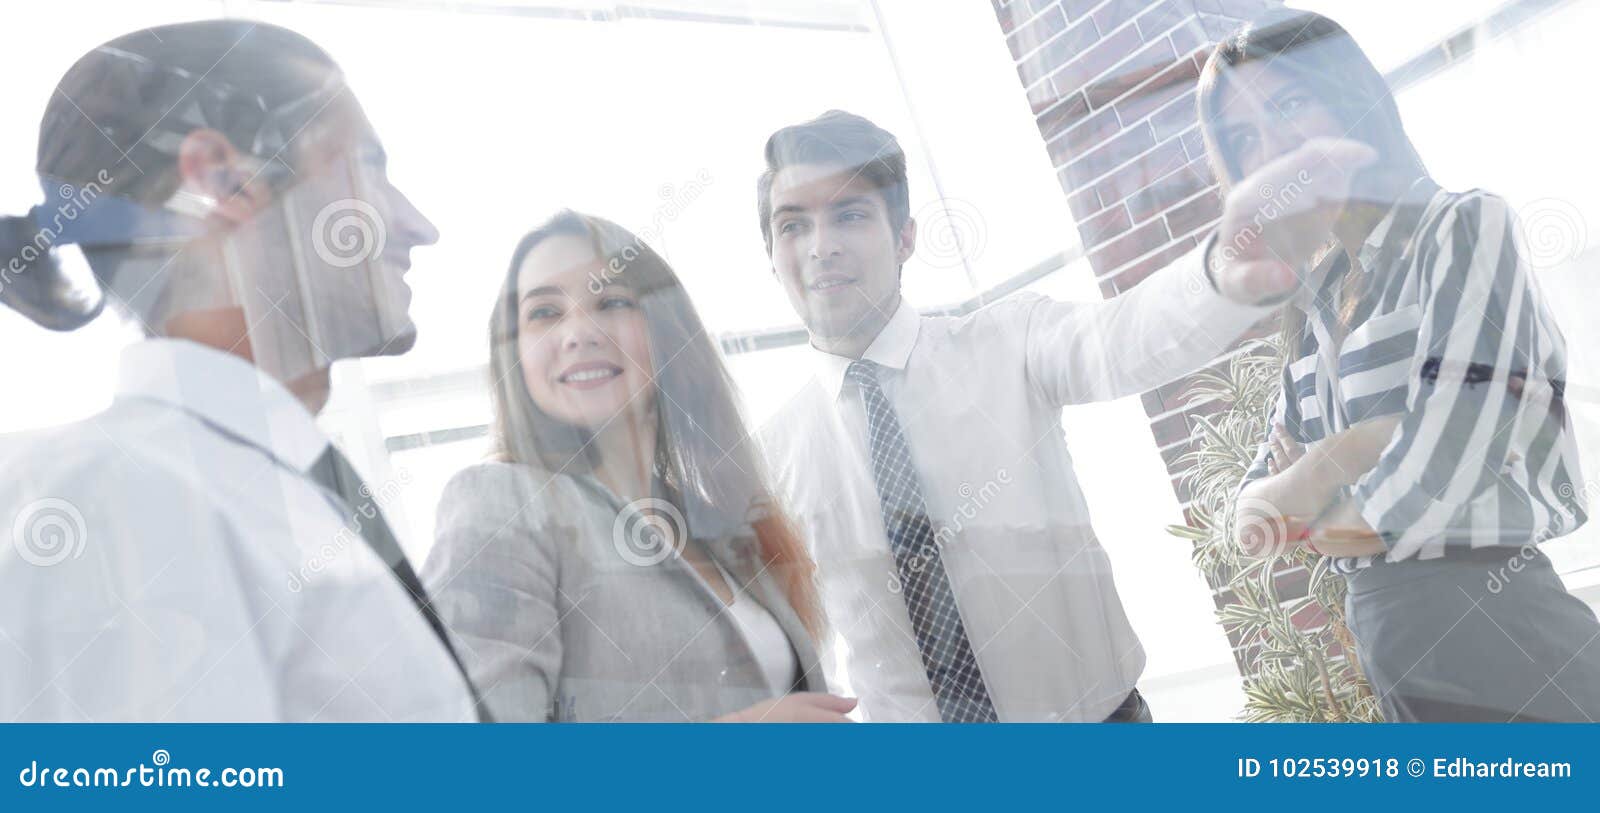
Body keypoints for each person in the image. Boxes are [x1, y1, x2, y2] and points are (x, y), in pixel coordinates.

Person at [753, 110, 1370, 721]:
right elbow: (784, 646)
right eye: (792, 225)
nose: (822, 246)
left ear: (906, 236)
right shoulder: (768, 460)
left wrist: (1227, 269)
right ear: (771, 255)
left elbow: (1126, 336)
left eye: (850, 214)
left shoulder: (1009, 341)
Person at [0, 21, 481, 721]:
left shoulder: (265, 491)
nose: (418, 225)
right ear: (225, 178)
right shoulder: (118, 498)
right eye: (369, 168)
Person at [1215, 10, 1600, 721]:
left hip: (1513, 646)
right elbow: (1249, 521)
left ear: (1348, 95)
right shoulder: (1311, 305)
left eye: (1290, 104)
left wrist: (1307, 487)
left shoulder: (1461, 229)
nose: (1270, 148)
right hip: (1398, 669)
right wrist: (1356, 449)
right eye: (1242, 137)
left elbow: (1443, 475)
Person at [422, 210, 851, 722]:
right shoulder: (497, 504)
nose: (578, 332)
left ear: (666, 331)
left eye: (612, 302)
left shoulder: (723, 525)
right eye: (544, 313)